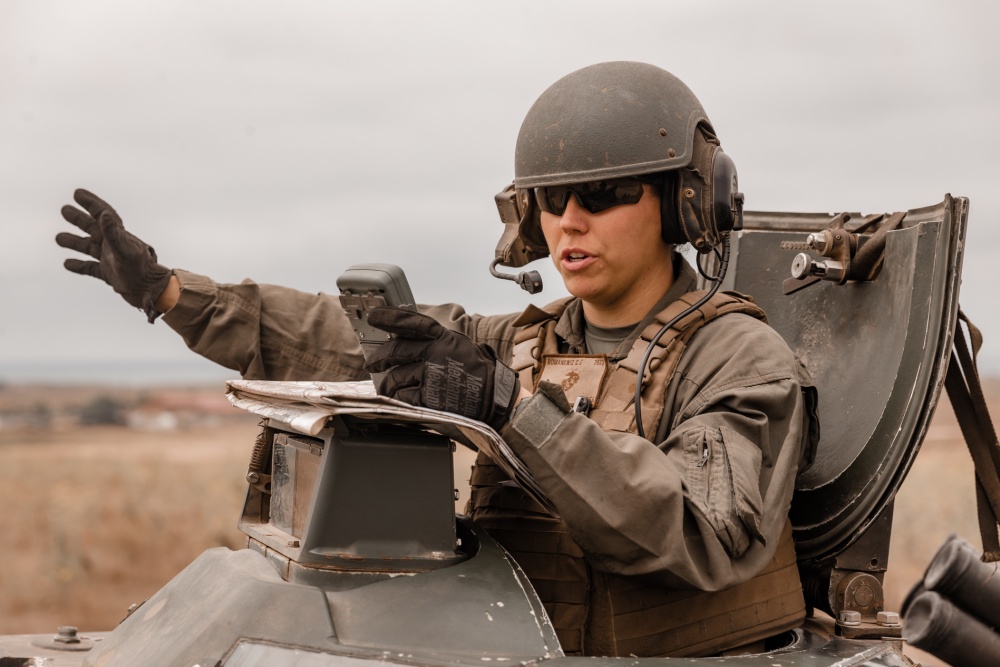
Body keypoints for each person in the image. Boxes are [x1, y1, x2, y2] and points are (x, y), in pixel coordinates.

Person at [56, 61, 817, 658]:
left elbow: (698, 528)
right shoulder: (522, 341)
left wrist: (513, 410)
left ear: (684, 203)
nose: (570, 221)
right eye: (551, 199)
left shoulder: (739, 355)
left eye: (605, 192)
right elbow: (337, 338)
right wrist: (172, 292)